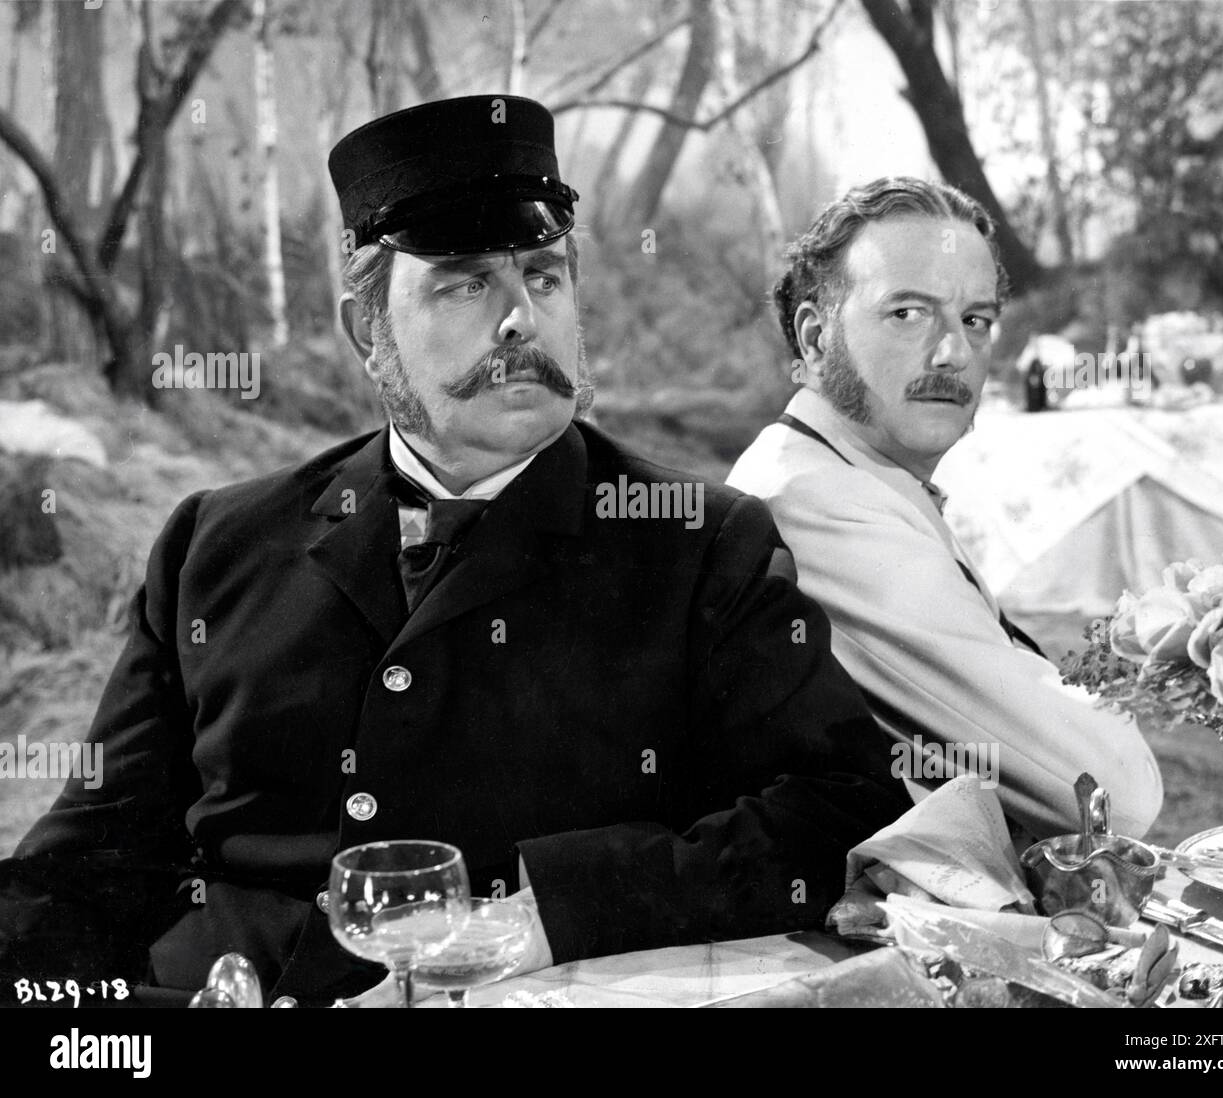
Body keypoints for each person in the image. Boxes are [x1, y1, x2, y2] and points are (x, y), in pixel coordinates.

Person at [0, 96, 910, 1006]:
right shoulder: (215, 543)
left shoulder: (698, 541)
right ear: (369, 332)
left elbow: (840, 809)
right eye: (465, 284)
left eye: (544, 277)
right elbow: (86, 860)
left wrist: (544, 913)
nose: (520, 319)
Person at [727, 177, 1163, 842]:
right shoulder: (818, 502)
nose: (954, 352)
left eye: (975, 320)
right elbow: (1113, 796)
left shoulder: (855, 471)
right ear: (814, 340)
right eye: (908, 313)